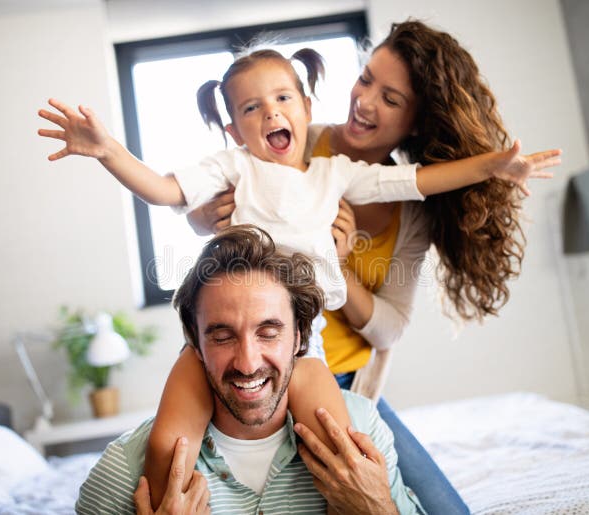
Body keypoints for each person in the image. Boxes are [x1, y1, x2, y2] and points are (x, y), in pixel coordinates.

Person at [38, 45, 559, 510]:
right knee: (167, 445)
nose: (270, 112)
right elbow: (161, 190)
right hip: (217, 343)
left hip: (306, 349)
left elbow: (416, 181)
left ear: (307, 111)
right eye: (250, 108)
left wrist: (492, 166)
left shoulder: (336, 176)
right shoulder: (232, 167)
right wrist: (108, 150)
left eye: (283, 98)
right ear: (233, 130)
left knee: (339, 447)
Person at [185, 19, 552, 514]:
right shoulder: (291, 140)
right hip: (267, 371)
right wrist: (201, 218)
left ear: (418, 121)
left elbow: (389, 330)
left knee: (444, 509)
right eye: (365, 79)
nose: (364, 101)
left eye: (391, 98)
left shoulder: (411, 208)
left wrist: (337, 267)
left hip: (348, 382)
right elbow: (209, 207)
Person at [76, 225, 425, 515]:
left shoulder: (361, 433)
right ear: (195, 346)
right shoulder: (124, 471)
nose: (248, 362)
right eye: (223, 336)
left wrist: (378, 508)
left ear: (299, 338)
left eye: (268, 333)